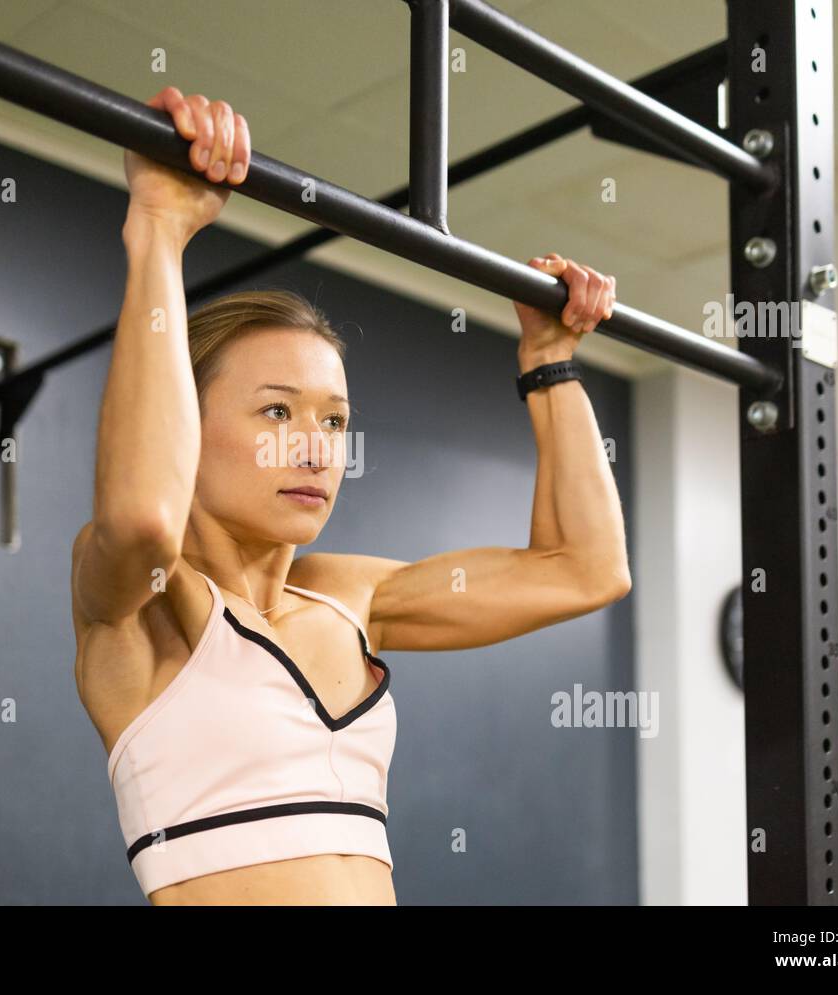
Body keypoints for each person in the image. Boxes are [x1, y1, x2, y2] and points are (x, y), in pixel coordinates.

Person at [71, 86, 630, 905]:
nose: (315, 447)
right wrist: (158, 226)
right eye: (275, 410)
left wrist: (550, 361)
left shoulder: (350, 599)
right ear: (185, 421)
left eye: (334, 421)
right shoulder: (141, 611)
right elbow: (145, 515)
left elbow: (586, 568)